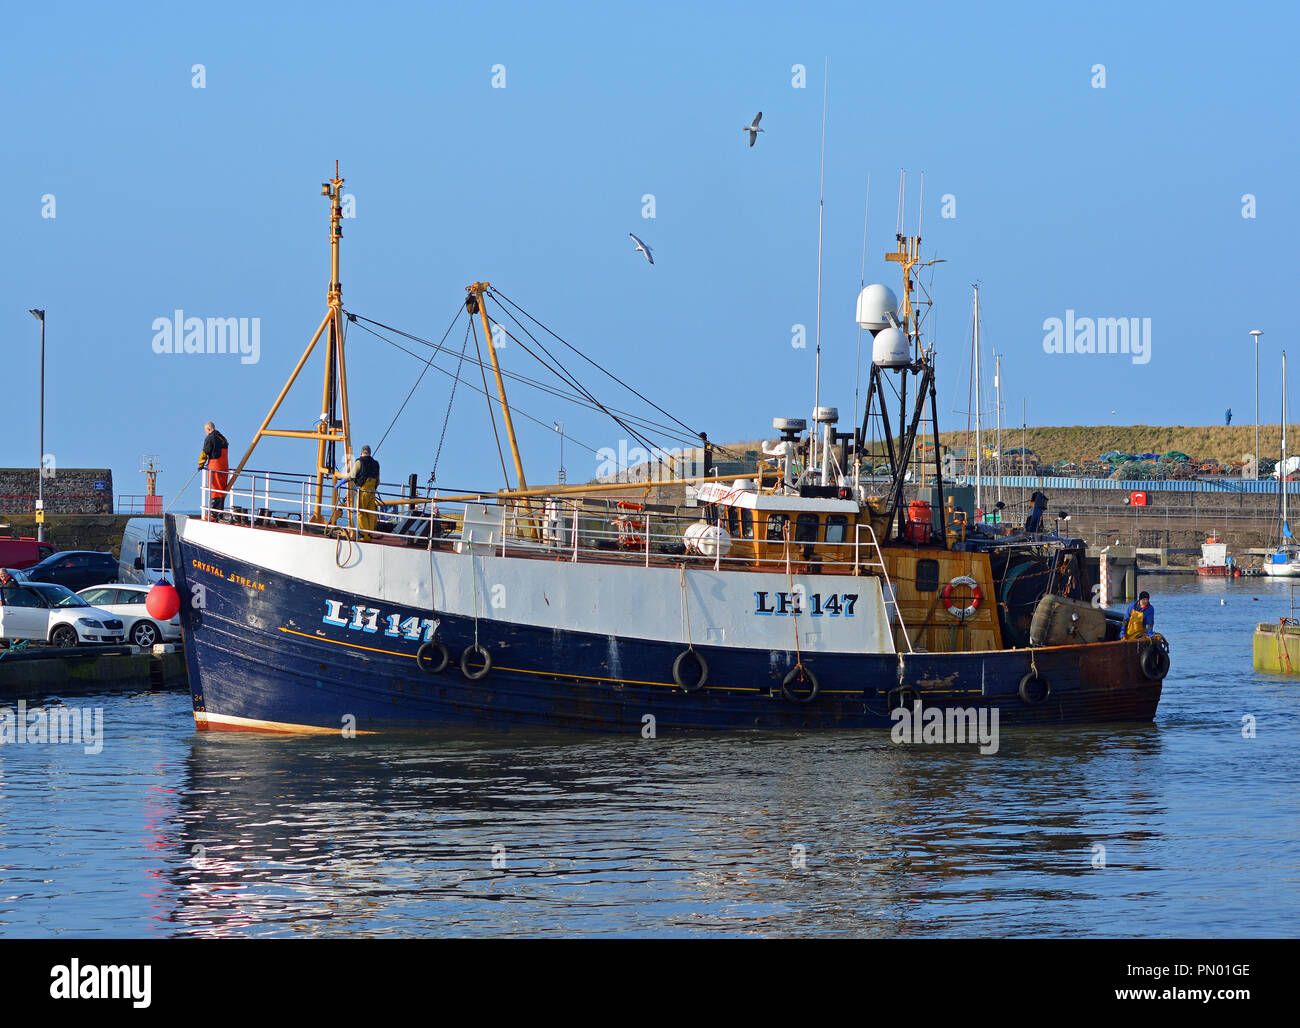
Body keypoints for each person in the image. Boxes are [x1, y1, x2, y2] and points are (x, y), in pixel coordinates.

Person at [198, 421, 230, 518]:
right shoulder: (223, 438)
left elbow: (205, 452)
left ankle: (214, 514)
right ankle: (219, 513)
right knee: (221, 490)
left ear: (208, 429)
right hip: (224, 467)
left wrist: (200, 464)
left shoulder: (210, 438)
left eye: (206, 431)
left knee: (215, 489)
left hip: (215, 467)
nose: (206, 433)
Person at [349, 445, 380, 540]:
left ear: (361, 452)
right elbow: (378, 480)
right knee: (370, 513)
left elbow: (352, 475)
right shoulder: (376, 463)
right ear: (370, 452)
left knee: (361, 512)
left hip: (363, 490)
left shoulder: (359, 462)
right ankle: (370, 535)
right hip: (372, 491)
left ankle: (363, 535)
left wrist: (343, 480)